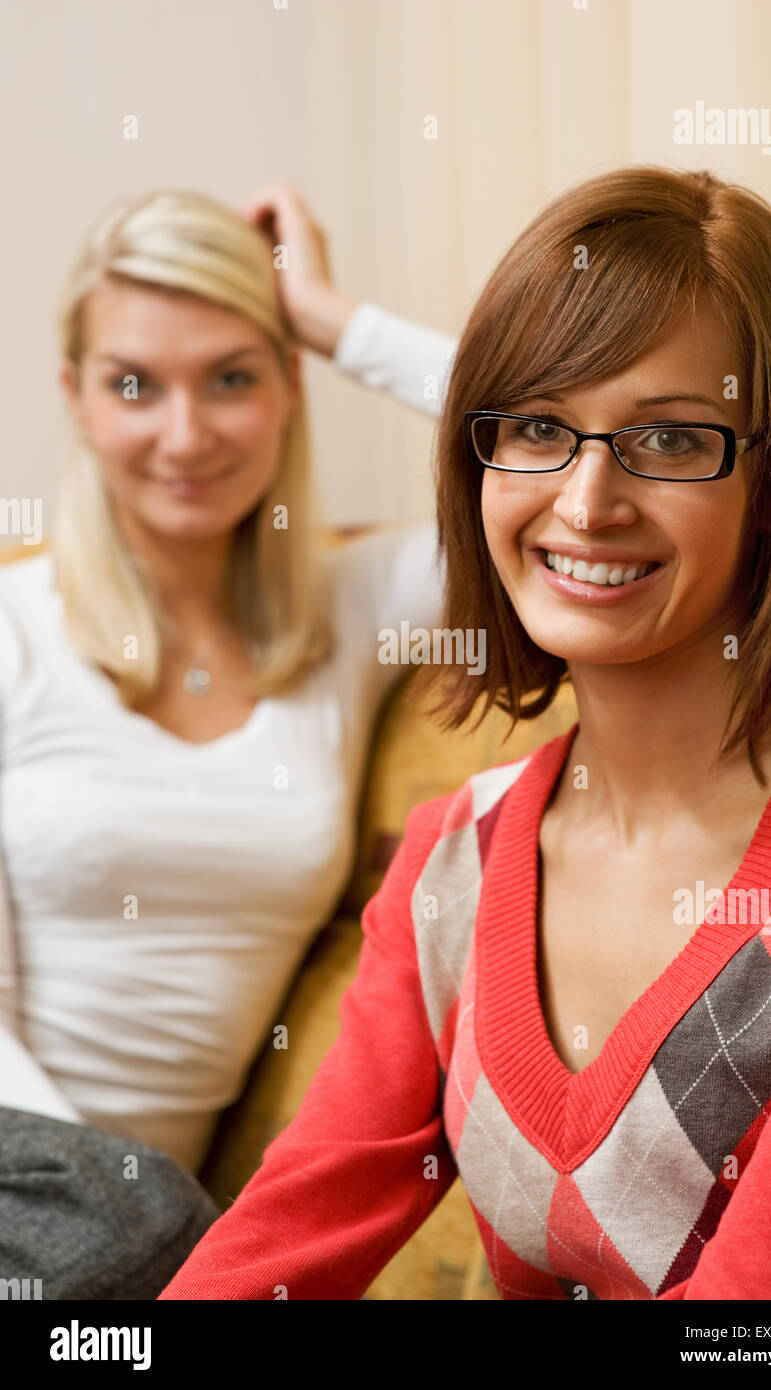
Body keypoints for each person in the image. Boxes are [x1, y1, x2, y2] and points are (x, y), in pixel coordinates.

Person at [159, 164, 771, 1301]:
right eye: (538, 427)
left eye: (672, 442)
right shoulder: (453, 864)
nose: (586, 503)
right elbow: (277, 1247)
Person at [0, 185, 456, 1297]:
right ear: (75, 396)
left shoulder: (355, 608)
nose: (186, 434)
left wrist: (340, 319)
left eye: (233, 377)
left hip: (135, 1240)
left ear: (293, 383)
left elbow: (580, 458)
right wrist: (115, 1204)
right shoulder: (13, 635)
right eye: (134, 386)